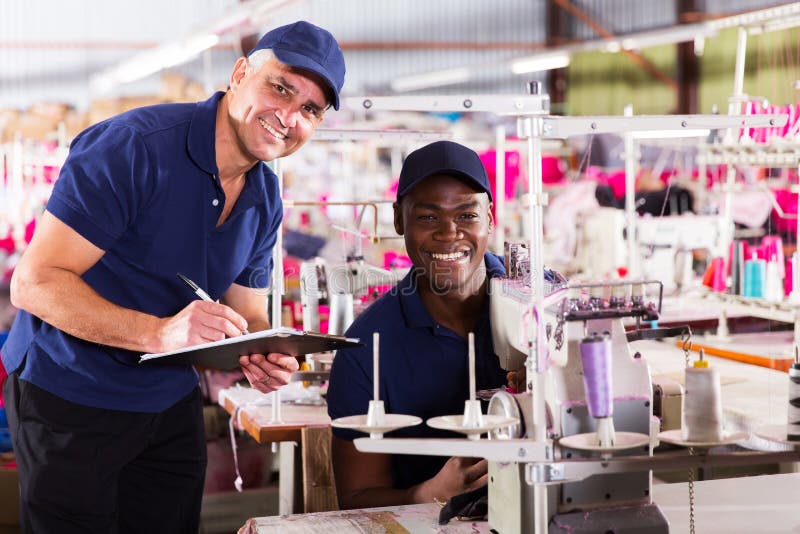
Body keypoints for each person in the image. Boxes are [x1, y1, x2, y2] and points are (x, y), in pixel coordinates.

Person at [1, 20, 345, 533]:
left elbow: (248, 312)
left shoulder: (265, 197)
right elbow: (33, 283)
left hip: (167, 397)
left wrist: (262, 351)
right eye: (280, 88)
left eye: (311, 110)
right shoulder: (133, 147)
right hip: (70, 392)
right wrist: (159, 334)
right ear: (239, 73)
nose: (289, 117)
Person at [327, 140, 508, 509]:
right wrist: (432, 493)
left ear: (490, 218)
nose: (449, 233)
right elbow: (356, 498)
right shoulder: (366, 347)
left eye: (467, 215)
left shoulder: (539, 302)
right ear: (399, 220)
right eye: (427, 217)